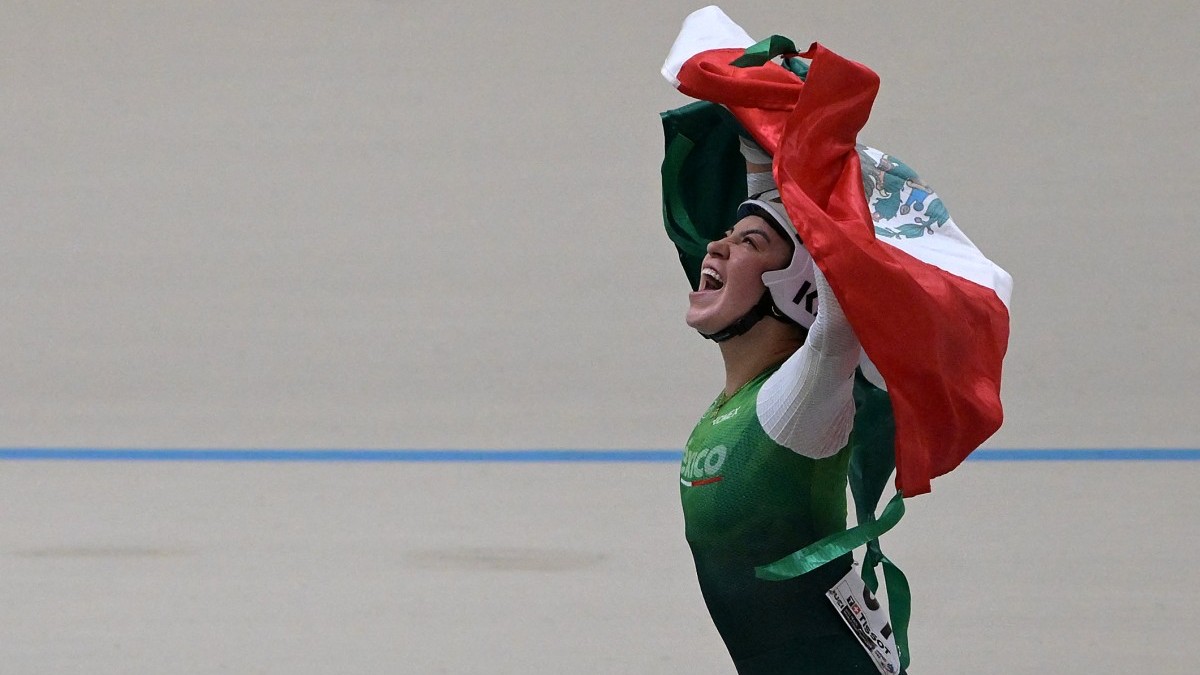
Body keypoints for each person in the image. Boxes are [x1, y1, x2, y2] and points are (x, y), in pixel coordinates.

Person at [678, 138, 886, 674]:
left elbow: (839, 299)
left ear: (799, 293)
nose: (715, 247)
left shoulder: (799, 404)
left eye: (747, 243)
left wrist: (822, 140)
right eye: (725, 236)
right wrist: (752, 119)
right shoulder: (739, 404)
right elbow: (774, 206)